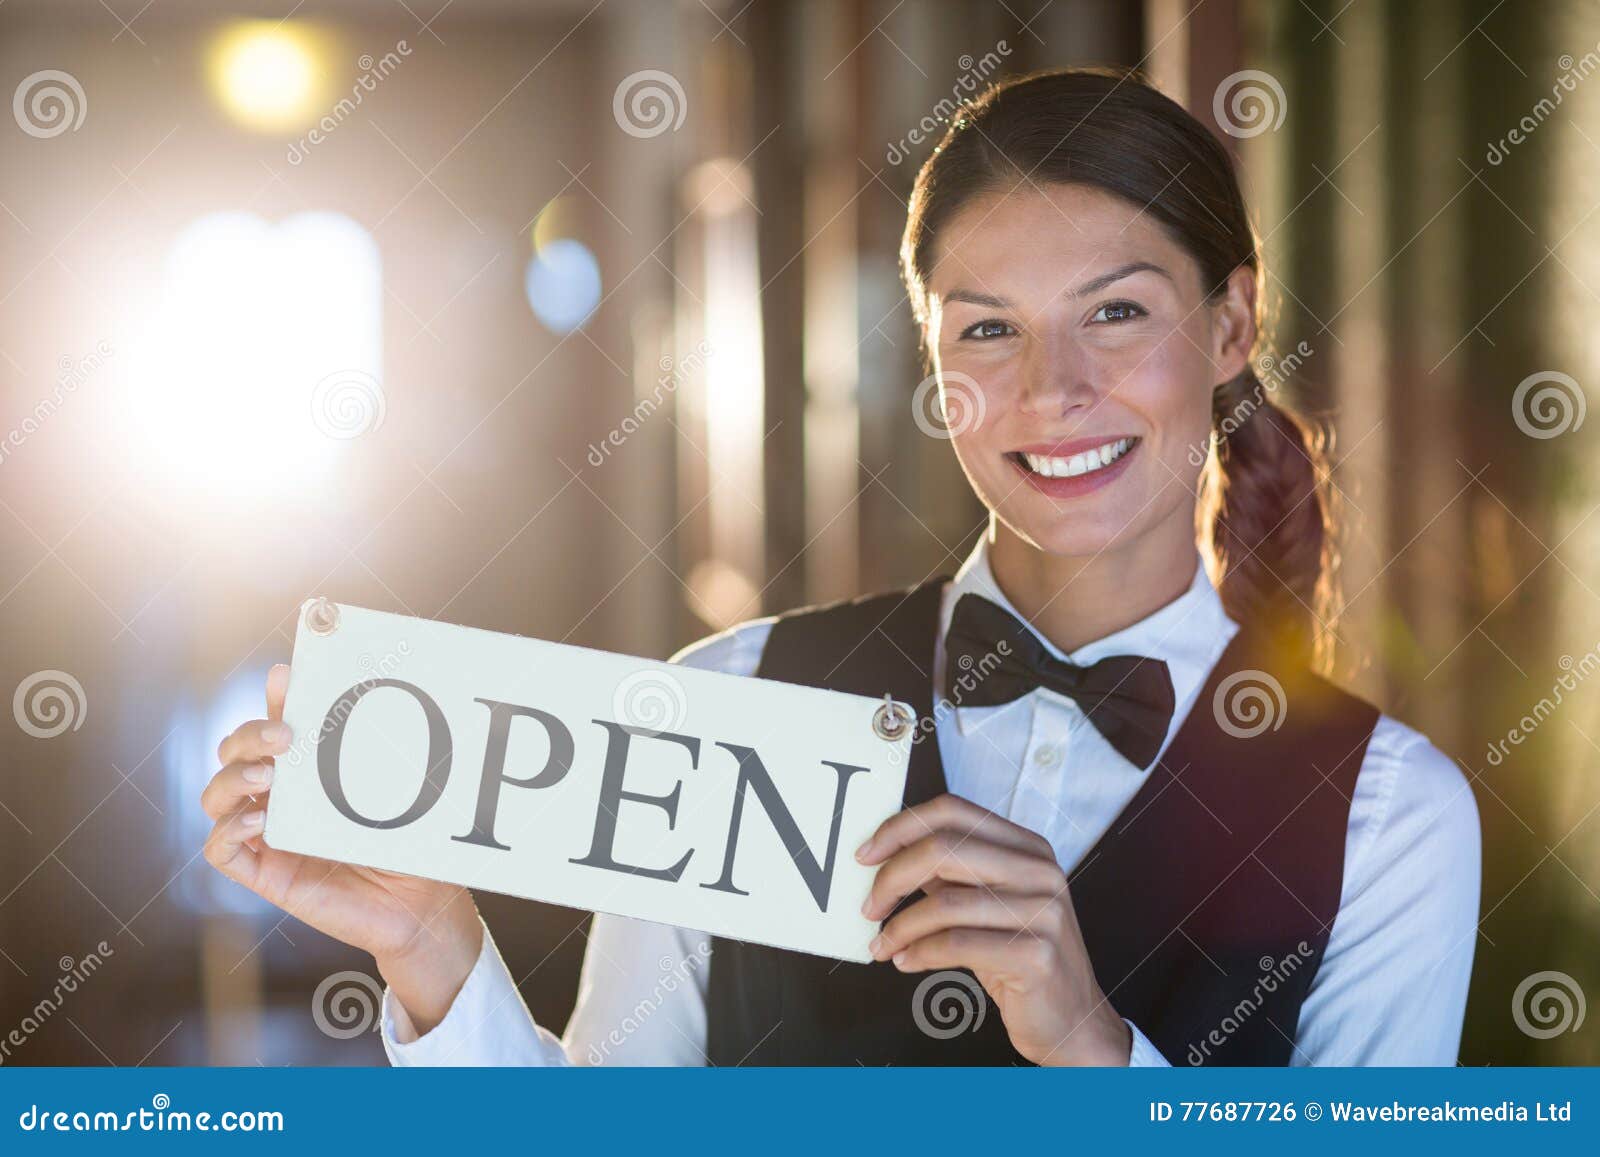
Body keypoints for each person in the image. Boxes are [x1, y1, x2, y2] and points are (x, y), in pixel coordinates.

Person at [200, 67, 1480, 1067]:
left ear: (1232, 325)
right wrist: (433, 940)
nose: (1053, 390)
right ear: (933, 364)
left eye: (1116, 311)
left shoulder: (1392, 819)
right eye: (988, 330)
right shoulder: (732, 697)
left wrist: (1086, 1044)